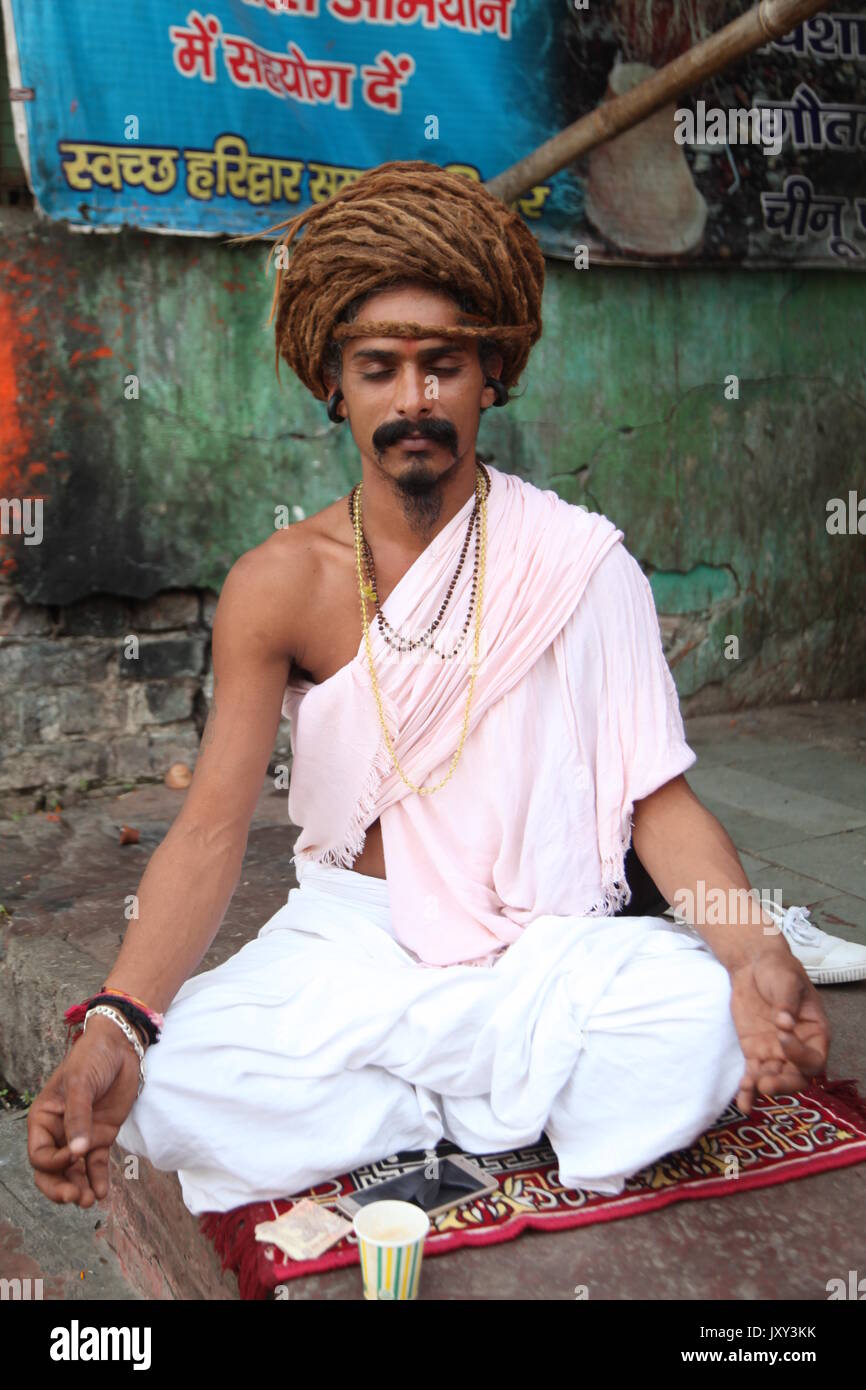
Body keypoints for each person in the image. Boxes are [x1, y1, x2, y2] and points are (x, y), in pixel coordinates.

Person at [28, 161, 840, 1219]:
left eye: (442, 365)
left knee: (687, 1018)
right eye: (378, 368)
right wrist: (113, 1027)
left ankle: (420, 1097)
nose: (413, 398)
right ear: (334, 386)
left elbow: (655, 797)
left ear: (490, 376)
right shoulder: (279, 585)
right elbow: (210, 831)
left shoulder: (579, 561)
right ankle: (480, 1098)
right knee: (167, 1083)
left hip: (544, 941)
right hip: (355, 939)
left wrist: (752, 951)